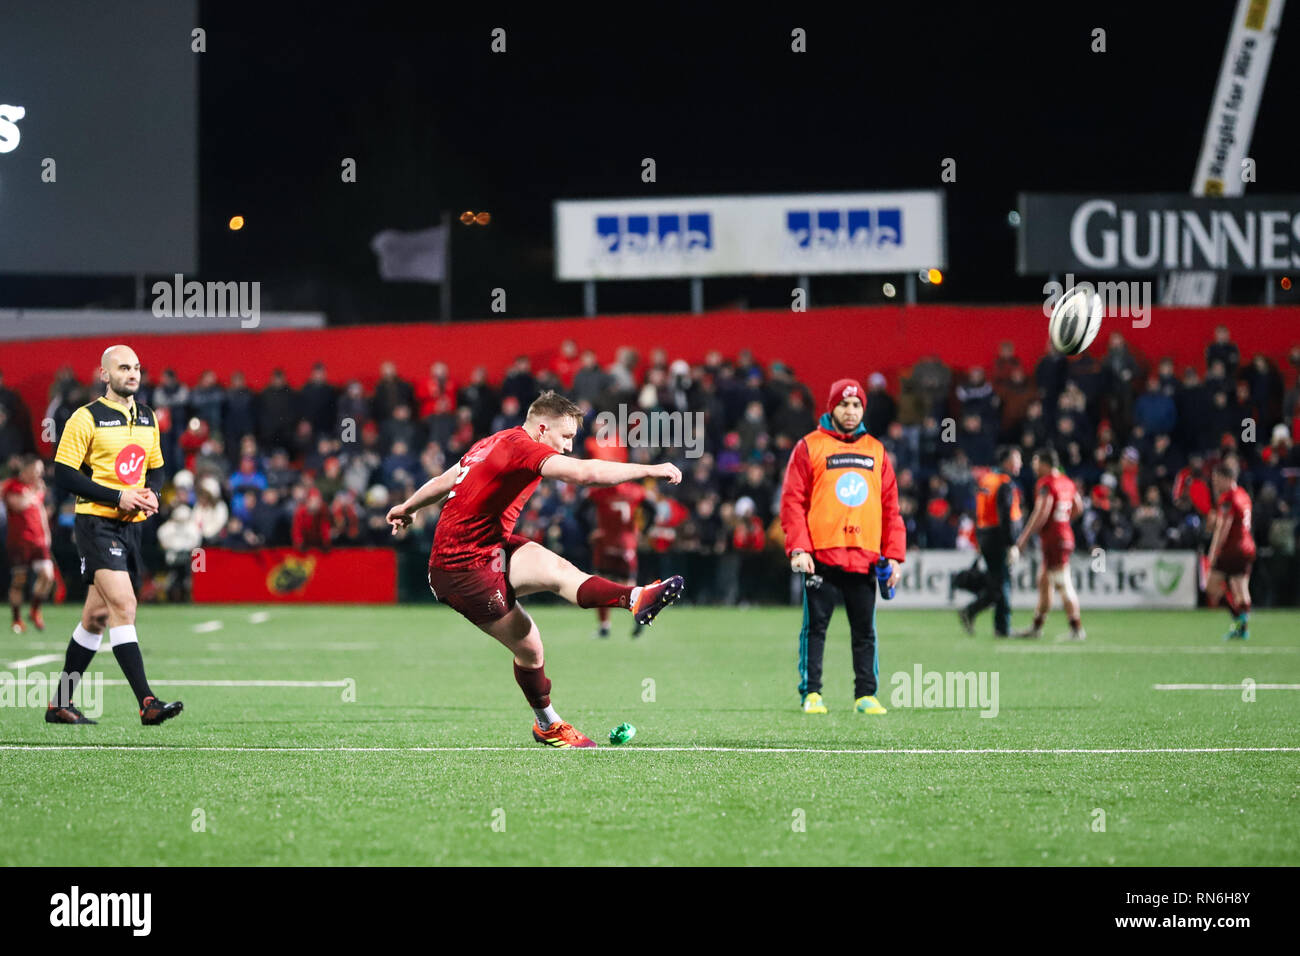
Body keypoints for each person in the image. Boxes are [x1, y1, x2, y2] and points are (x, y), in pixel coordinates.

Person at [385, 391, 684, 749]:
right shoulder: (525, 448)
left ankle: (637, 597)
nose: (570, 447)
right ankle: (548, 724)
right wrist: (650, 470)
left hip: (489, 548)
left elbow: (444, 481)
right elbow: (585, 474)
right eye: (566, 437)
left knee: (558, 571)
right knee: (530, 647)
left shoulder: (493, 442)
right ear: (542, 429)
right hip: (461, 568)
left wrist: (407, 506)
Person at [48, 345, 183, 726]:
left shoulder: (147, 417)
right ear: (104, 375)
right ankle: (147, 702)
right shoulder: (84, 417)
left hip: (131, 528)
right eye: (124, 368)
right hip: (96, 524)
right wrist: (117, 496)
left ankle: (59, 703)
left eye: (137, 367)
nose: (133, 374)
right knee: (124, 606)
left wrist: (152, 494)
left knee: (96, 617)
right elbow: (64, 474)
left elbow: (156, 467)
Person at [779, 379, 905, 716]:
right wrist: (800, 549)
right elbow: (792, 502)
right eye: (844, 405)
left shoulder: (876, 450)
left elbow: (891, 507)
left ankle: (866, 695)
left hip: (864, 557)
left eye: (857, 406)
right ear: (831, 408)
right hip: (821, 557)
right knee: (815, 629)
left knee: (865, 631)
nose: (850, 412)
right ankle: (812, 693)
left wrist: (893, 555)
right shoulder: (809, 446)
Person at [1013, 449, 1086, 641]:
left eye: (1036, 462)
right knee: (1044, 581)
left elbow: (1042, 512)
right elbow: (1078, 507)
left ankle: (1077, 629)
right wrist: (1062, 521)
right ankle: (1036, 627)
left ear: (1045, 464)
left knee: (1063, 583)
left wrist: (1024, 538)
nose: (1033, 466)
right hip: (1064, 536)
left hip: (1054, 540)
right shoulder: (1067, 482)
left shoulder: (1046, 483)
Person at [959, 446, 1023, 637]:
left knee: (997, 582)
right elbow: (1005, 517)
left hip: (985, 535)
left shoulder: (987, 479)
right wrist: (1011, 544)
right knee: (1002, 582)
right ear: (1007, 462)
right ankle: (1002, 627)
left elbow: (979, 512)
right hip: (998, 538)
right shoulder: (1004, 483)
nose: (1020, 463)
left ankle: (974, 612)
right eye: (1017, 459)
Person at [587, 480, 652, 638]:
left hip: (605, 542)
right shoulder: (636, 491)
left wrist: (591, 529)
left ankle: (604, 626)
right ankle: (640, 615)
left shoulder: (599, 491)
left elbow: (579, 511)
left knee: (601, 586)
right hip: (626, 544)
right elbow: (654, 510)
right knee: (629, 586)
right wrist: (644, 531)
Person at [4, 455, 54, 633]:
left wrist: (46, 532)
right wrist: (34, 494)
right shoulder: (13, 486)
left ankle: (34, 610)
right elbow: (18, 505)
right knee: (19, 580)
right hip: (19, 542)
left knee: (48, 575)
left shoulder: (37, 490)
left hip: (38, 541)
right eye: (37, 470)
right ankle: (16, 619)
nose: (40, 474)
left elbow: (40, 511)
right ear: (27, 470)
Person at [1207, 459, 1256, 640]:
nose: (1215, 483)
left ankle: (1238, 620)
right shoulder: (1243, 494)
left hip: (1231, 548)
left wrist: (1213, 551)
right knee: (1241, 589)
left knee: (1211, 585)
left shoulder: (1227, 497)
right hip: (1247, 546)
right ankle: (1242, 627)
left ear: (1226, 478)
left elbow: (1223, 527)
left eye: (1216, 479)